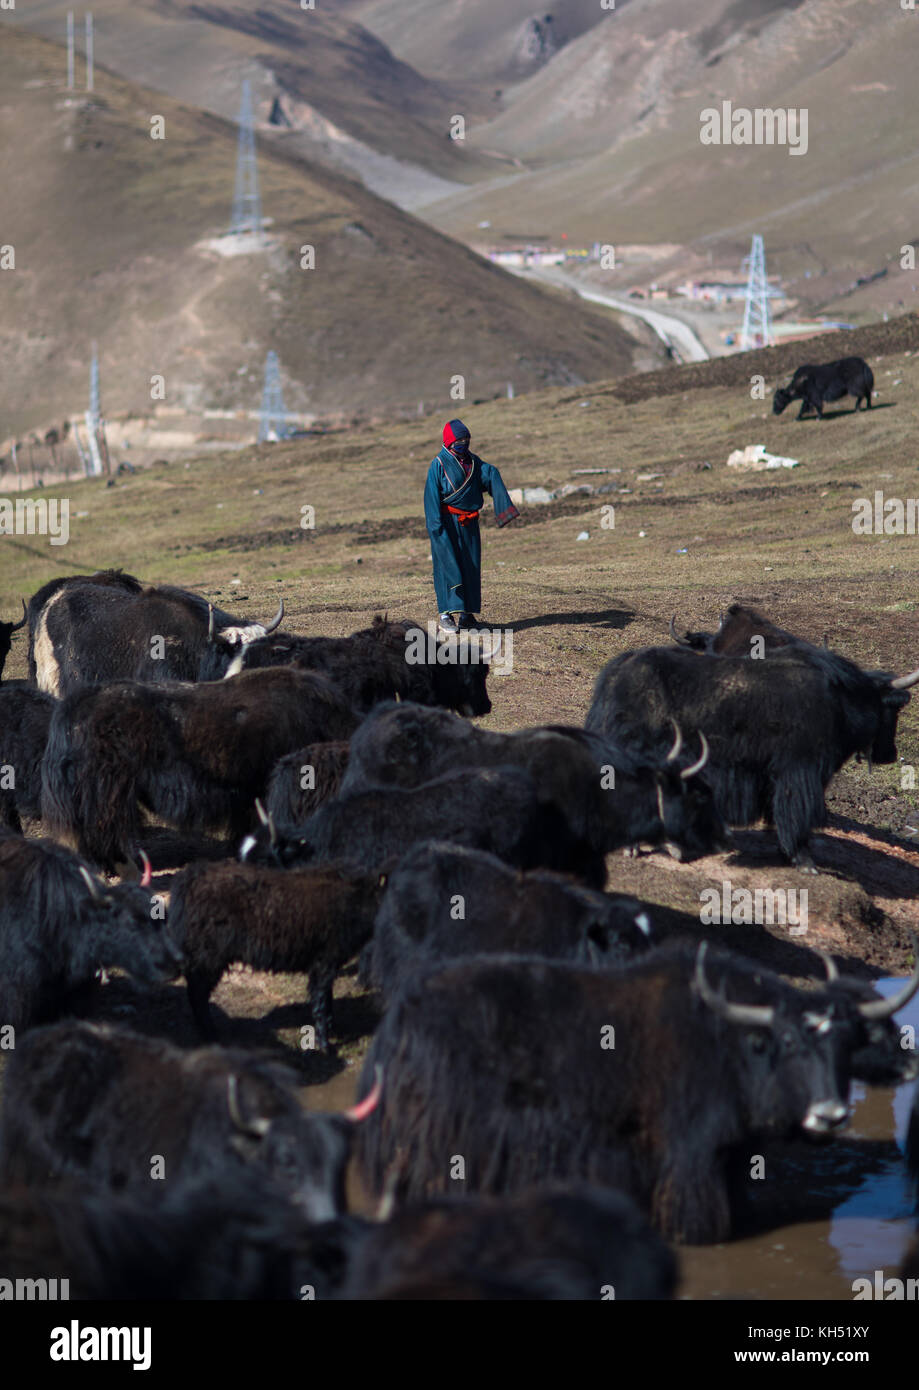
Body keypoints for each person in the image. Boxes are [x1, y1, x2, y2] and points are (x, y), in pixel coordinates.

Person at [423, 419, 519, 633]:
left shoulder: (473, 463)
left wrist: (504, 511)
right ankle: (446, 614)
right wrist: (436, 529)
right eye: (459, 441)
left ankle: (467, 615)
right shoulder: (437, 465)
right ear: (449, 442)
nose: (464, 444)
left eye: (467, 440)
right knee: (448, 565)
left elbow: (490, 473)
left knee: (471, 566)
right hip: (446, 524)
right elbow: (431, 501)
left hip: (469, 525)